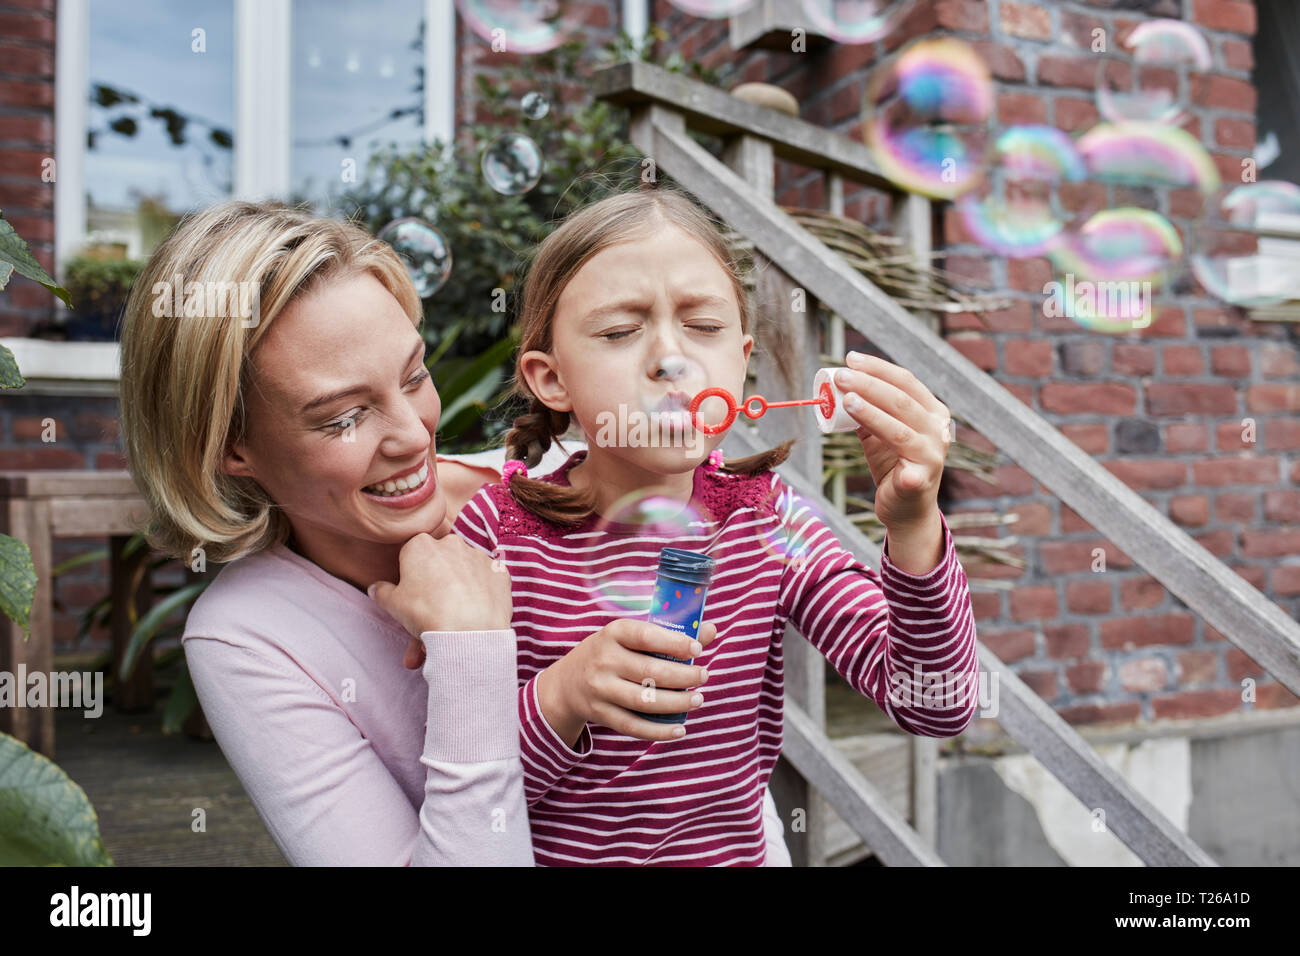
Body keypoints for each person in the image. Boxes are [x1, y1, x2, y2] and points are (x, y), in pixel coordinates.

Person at [117, 199, 791, 865]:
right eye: (343, 416)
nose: (414, 438)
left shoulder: (583, 478)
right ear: (230, 448)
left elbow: (706, 766)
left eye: (414, 376)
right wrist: (472, 652)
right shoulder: (250, 636)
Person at [449, 185, 980, 865]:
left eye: (704, 327)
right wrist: (564, 694)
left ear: (741, 360)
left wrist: (912, 526)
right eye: (619, 332)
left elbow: (932, 705)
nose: (673, 361)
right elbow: (462, 800)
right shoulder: (495, 538)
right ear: (550, 379)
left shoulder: (767, 522)